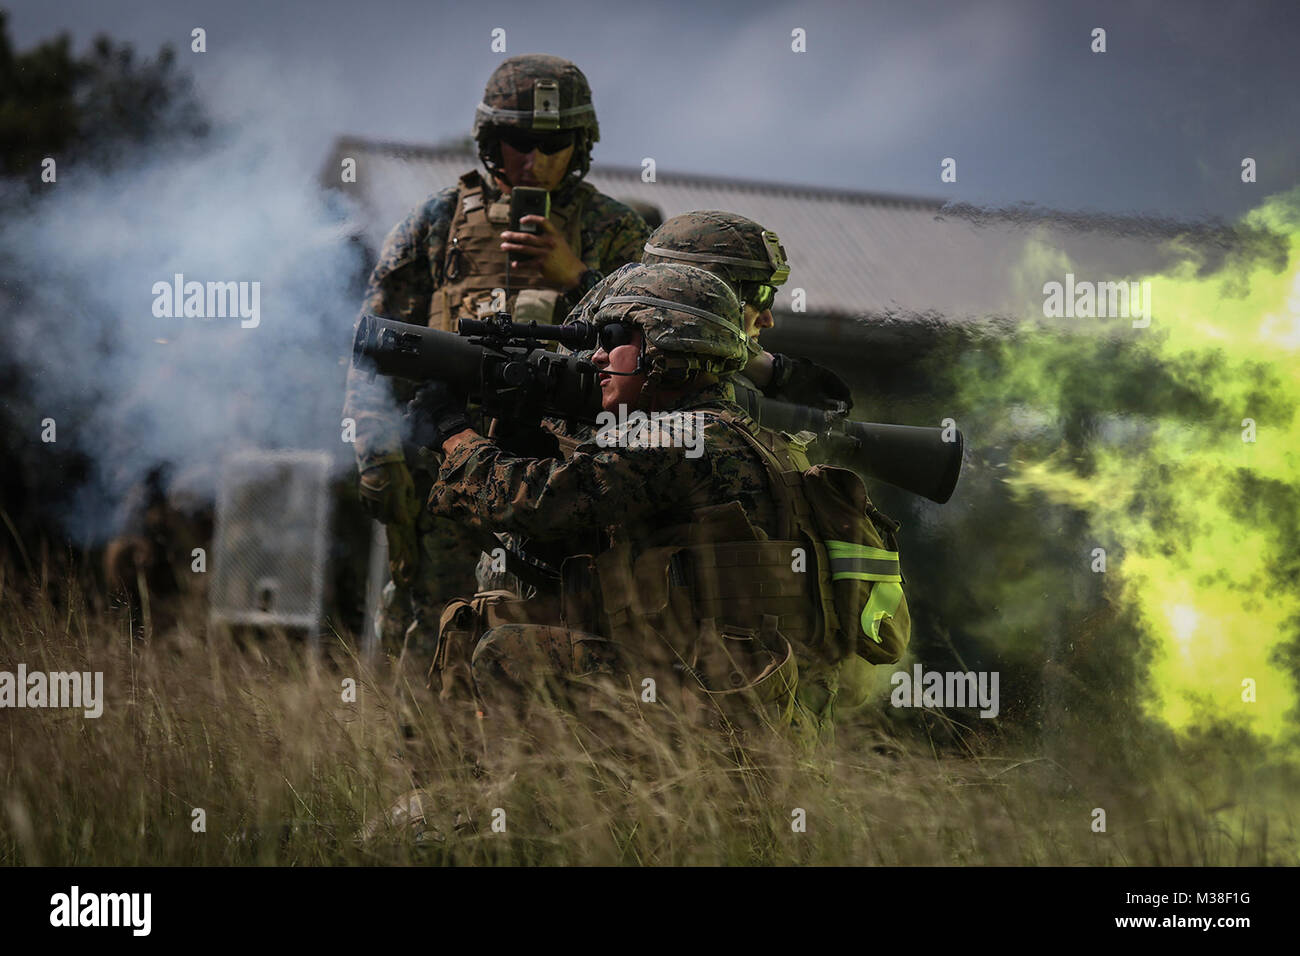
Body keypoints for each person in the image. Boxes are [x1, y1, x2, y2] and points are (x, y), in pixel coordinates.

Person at [416, 263, 910, 743]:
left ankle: (539, 812)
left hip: (715, 720)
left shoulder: (680, 437)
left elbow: (539, 504)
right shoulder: (743, 433)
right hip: (751, 706)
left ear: (667, 350)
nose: (595, 357)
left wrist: (453, 434)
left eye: (614, 340)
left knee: (508, 651)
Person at [342, 54, 650, 654]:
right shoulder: (437, 221)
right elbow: (374, 343)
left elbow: (647, 349)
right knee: (430, 644)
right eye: (515, 141)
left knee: (553, 650)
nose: (531, 160)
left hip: (561, 485)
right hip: (445, 478)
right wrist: (376, 453)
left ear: (580, 143)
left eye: (551, 142)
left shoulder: (616, 230)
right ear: (488, 139)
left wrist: (577, 275)